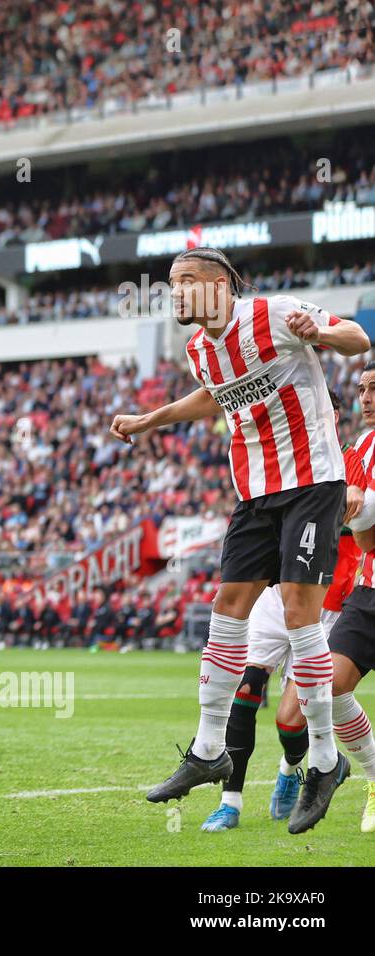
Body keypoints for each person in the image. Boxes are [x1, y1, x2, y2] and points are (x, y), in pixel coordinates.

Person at [110, 246, 370, 833]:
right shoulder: (199, 348)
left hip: (312, 482)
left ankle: (325, 760)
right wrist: (151, 419)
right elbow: (214, 396)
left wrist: (320, 331)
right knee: (228, 607)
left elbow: (354, 336)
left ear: (222, 284)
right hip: (254, 491)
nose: (175, 292)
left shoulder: (275, 313)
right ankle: (207, 751)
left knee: (302, 612)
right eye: (171, 284)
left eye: (187, 281)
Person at [200, 385, 370, 832]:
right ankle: (230, 804)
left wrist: (356, 506)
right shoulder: (284, 463)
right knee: (245, 690)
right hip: (277, 600)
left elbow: (363, 523)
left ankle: (294, 767)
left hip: (327, 609)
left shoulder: (352, 463)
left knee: (290, 719)